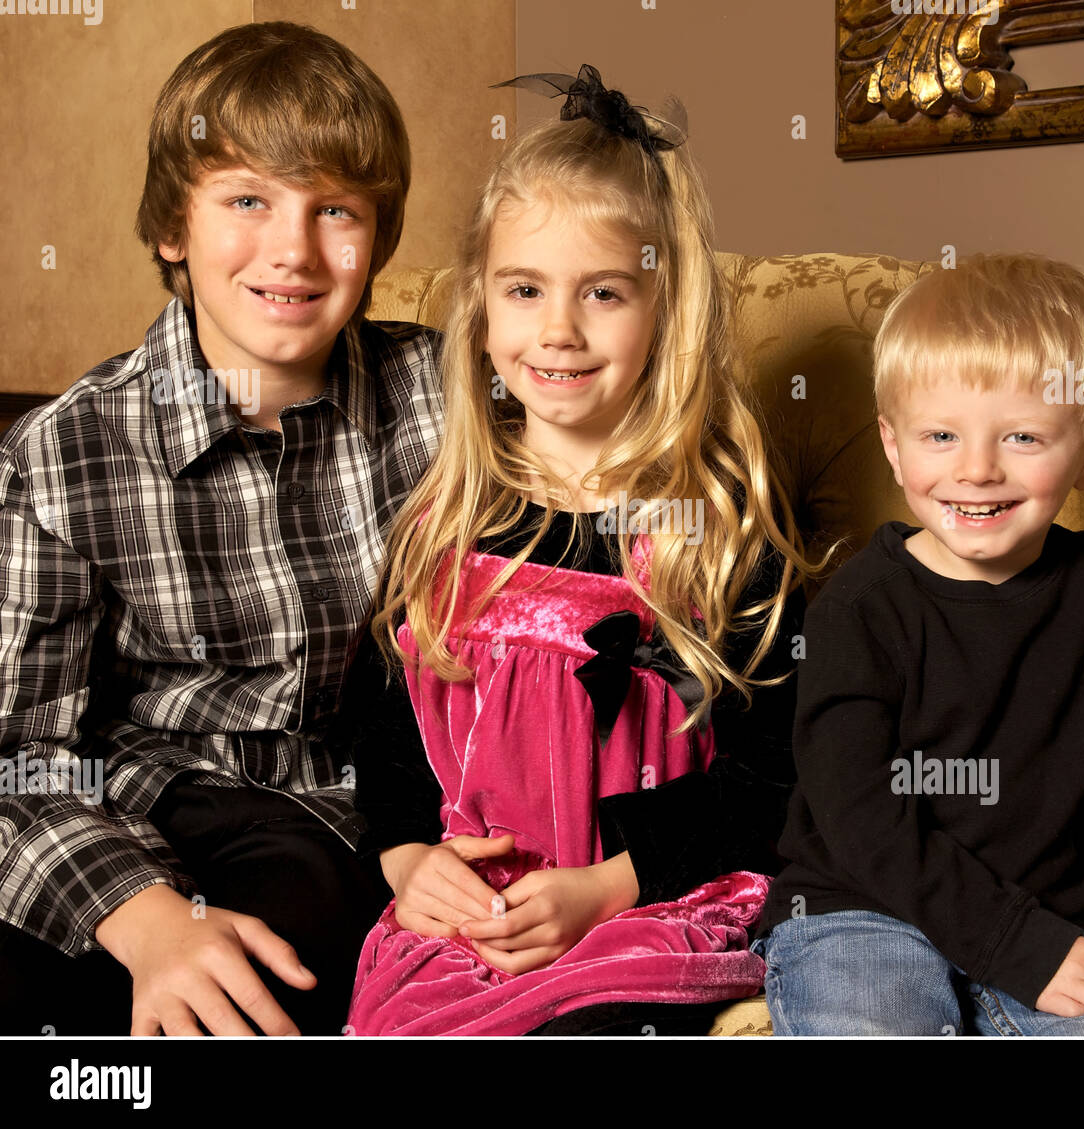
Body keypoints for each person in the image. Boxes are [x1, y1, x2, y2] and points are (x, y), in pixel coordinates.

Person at [338, 65, 828, 1036]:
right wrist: (403, 857)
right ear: (481, 312)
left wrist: (610, 883)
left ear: (665, 309)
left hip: (647, 908)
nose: (556, 330)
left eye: (602, 292)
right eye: (524, 289)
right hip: (474, 921)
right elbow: (387, 733)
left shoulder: (717, 531)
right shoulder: (445, 515)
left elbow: (778, 770)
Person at [0, 22, 442, 1036]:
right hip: (126, 799)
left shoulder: (445, 396)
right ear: (172, 226)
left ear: (376, 238)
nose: (293, 248)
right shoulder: (62, 454)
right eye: (247, 200)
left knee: (273, 965)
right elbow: (21, 753)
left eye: (336, 210)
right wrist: (146, 917)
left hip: (332, 825)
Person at [753, 253, 1084, 1036]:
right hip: (862, 911)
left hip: (1049, 911)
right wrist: (1012, 943)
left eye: (1024, 437)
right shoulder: (859, 608)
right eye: (941, 434)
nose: (976, 469)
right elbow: (861, 816)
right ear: (893, 444)